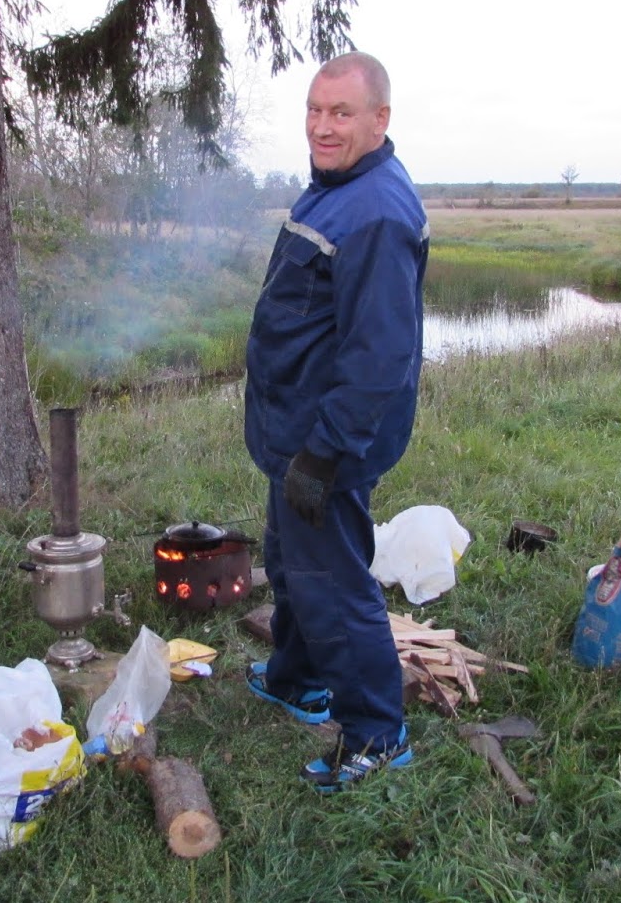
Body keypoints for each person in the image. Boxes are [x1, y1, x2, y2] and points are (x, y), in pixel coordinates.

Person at [242, 50, 428, 792]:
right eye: (315, 111)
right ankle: (296, 678)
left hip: (326, 441)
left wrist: (324, 455)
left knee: (334, 583)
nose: (323, 126)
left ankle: (377, 733)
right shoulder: (332, 187)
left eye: (341, 113)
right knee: (290, 563)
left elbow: (381, 356)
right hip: (293, 434)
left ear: (379, 120)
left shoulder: (378, 212)